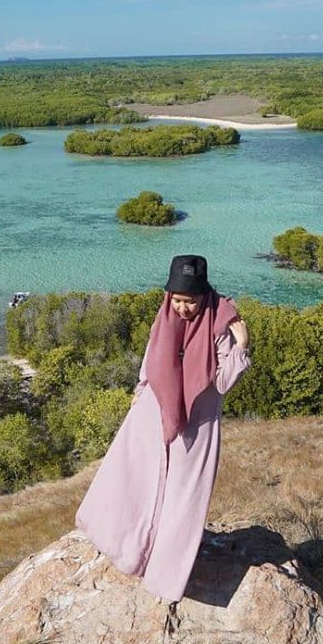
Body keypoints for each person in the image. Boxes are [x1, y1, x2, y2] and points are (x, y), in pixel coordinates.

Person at [74, 254, 251, 612]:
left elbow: (222, 383)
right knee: (134, 479)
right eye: (178, 299)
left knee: (184, 497)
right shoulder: (165, 315)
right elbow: (153, 356)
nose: (183, 308)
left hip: (198, 423)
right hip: (153, 411)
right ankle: (128, 551)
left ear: (204, 296)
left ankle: (165, 575)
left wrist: (242, 345)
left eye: (191, 301)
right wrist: (140, 392)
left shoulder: (219, 323)